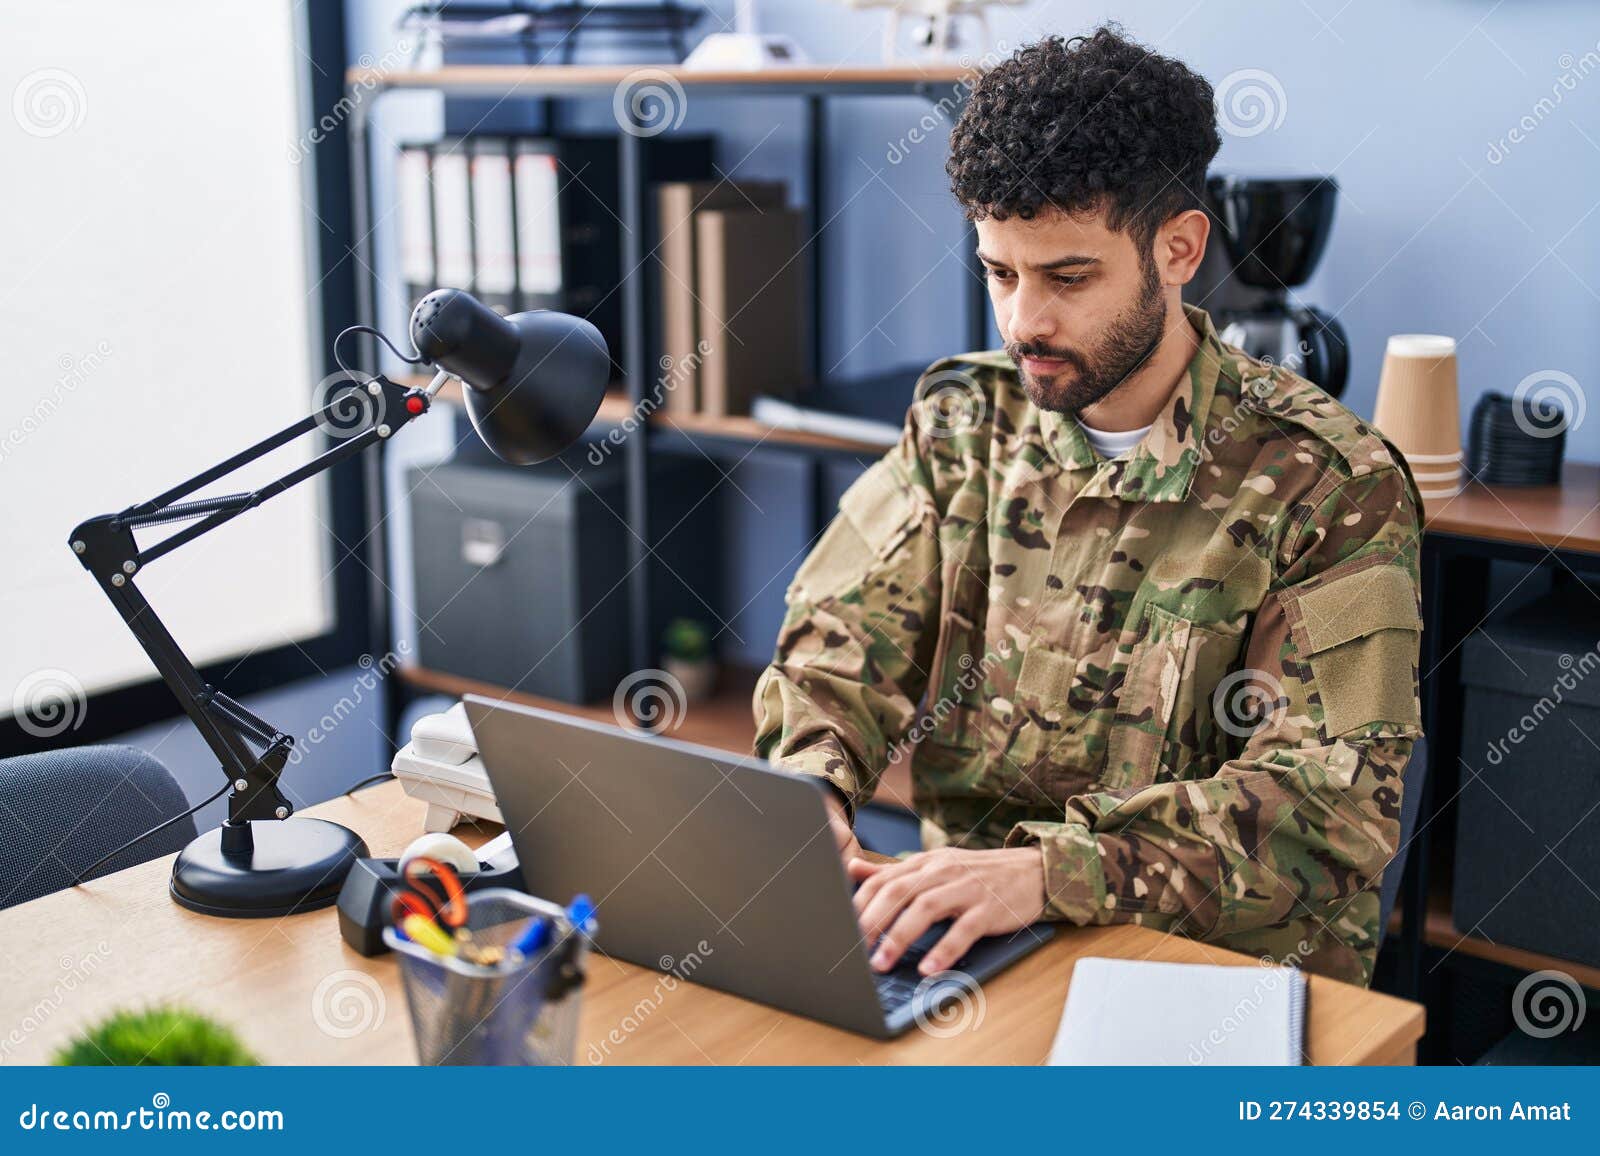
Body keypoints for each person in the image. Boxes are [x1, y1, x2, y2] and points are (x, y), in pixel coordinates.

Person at [752, 27, 1423, 987]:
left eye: (1068, 277)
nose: (1024, 319)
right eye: (999, 272)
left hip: (1204, 971)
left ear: (1180, 247)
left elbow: (1329, 809)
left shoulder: (1333, 485)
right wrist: (807, 792)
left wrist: (1049, 873)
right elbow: (835, 644)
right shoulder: (964, 423)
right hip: (968, 952)